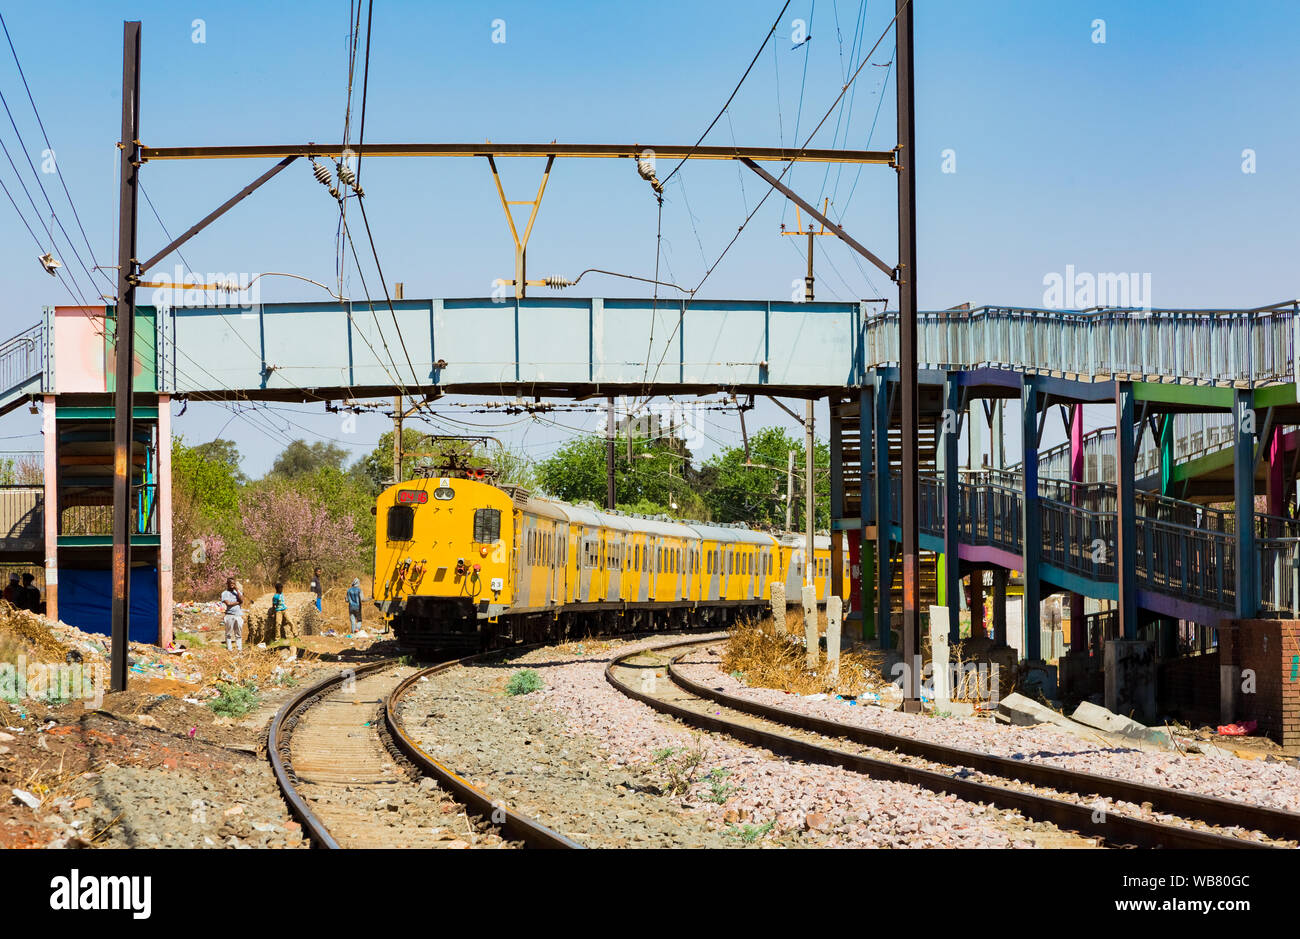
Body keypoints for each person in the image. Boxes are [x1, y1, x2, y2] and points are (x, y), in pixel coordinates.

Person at [221, 577, 245, 652]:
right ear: (227, 584)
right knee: (228, 634)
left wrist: (237, 590)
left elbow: (242, 600)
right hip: (229, 615)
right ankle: (229, 649)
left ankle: (239, 649)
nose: (232, 585)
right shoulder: (224, 593)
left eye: (233, 583)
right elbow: (228, 603)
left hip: (238, 615)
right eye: (230, 583)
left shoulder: (238, 592)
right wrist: (238, 602)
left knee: (238, 634)